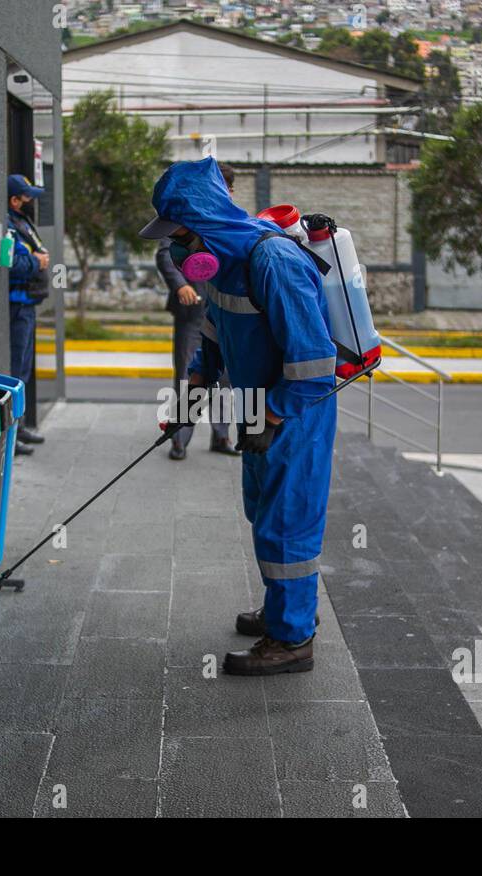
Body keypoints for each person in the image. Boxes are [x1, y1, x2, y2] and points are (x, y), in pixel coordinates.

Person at [141, 157, 337, 676]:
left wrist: (270, 416)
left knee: (287, 522)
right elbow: (214, 332)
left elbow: (316, 366)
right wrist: (194, 390)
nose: (177, 246)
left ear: (204, 218)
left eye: (181, 232)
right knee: (261, 510)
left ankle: (293, 640)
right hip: (254, 404)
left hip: (292, 412)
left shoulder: (271, 260)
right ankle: (284, 608)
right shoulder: (220, 262)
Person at [154, 161, 238, 461]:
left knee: (225, 379)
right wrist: (180, 285)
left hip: (226, 315)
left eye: (229, 188)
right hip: (192, 312)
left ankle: (221, 435)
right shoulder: (185, 214)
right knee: (188, 374)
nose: (226, 193)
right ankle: (179, 438)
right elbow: (165, 253)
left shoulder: (234, 222)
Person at [7, 173, 48, 455]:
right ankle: (12, 435)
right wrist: (36, 261)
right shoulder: (9, 225)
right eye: (27, 196)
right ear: (14, 199)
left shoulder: (22, 220)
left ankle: (19, 427)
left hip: (28, 304)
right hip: (18, 305)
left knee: (24, 369)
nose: (31, 200)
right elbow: (10, 262)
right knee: (16, 369)